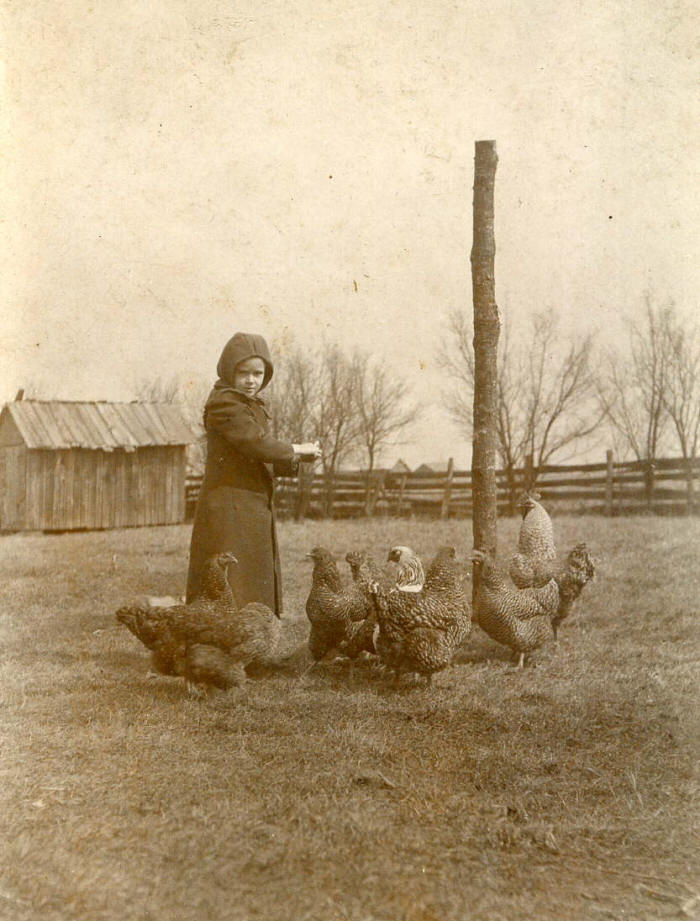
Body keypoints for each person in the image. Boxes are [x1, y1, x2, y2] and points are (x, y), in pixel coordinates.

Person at [186, 332, 321, 615]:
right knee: (230, 577)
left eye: (258, 373)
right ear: (229, 371)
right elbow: (252, 444)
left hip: (248, 502)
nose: (251, 380)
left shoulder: (249, 405)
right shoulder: (224, 403)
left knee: (249, 573)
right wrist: (296, 448)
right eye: (243, 372)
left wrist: (297, 459)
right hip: (230, 506)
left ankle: (252, 637)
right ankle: (221, 641)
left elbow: (253, 456)